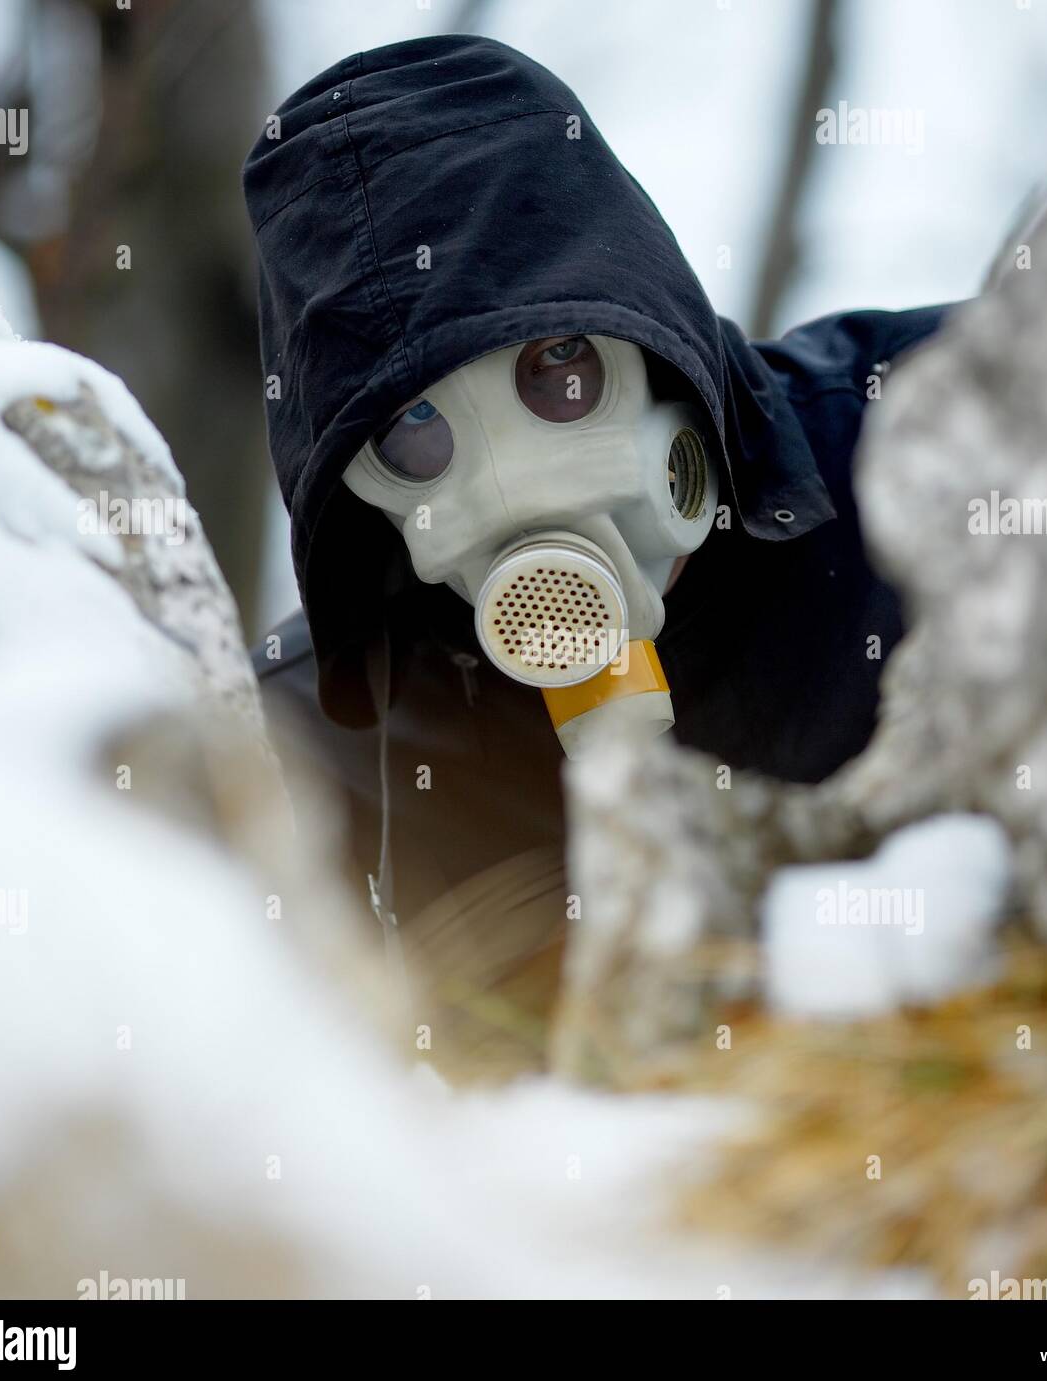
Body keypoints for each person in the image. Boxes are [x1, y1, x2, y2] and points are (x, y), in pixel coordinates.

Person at [242, 35, 947, 1053]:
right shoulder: (309, 754)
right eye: (415, 437)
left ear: (648, 327)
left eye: (558, 369)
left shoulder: (949, 439)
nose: (512, 484)